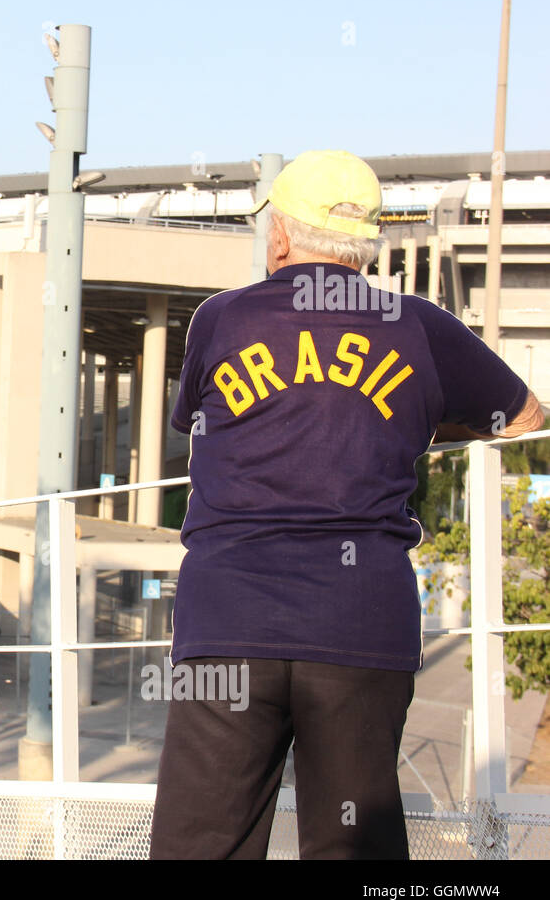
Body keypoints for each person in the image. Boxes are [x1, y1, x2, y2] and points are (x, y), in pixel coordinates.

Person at [150, 150, 543, 860]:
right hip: (361, 619)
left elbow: (196, 421)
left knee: (203, 842)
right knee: (352, 847)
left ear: (279, 235)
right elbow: (521, 417)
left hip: (229, 618)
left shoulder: (222, 320)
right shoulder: (417, 324)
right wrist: (417, 426)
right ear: (366, 247)